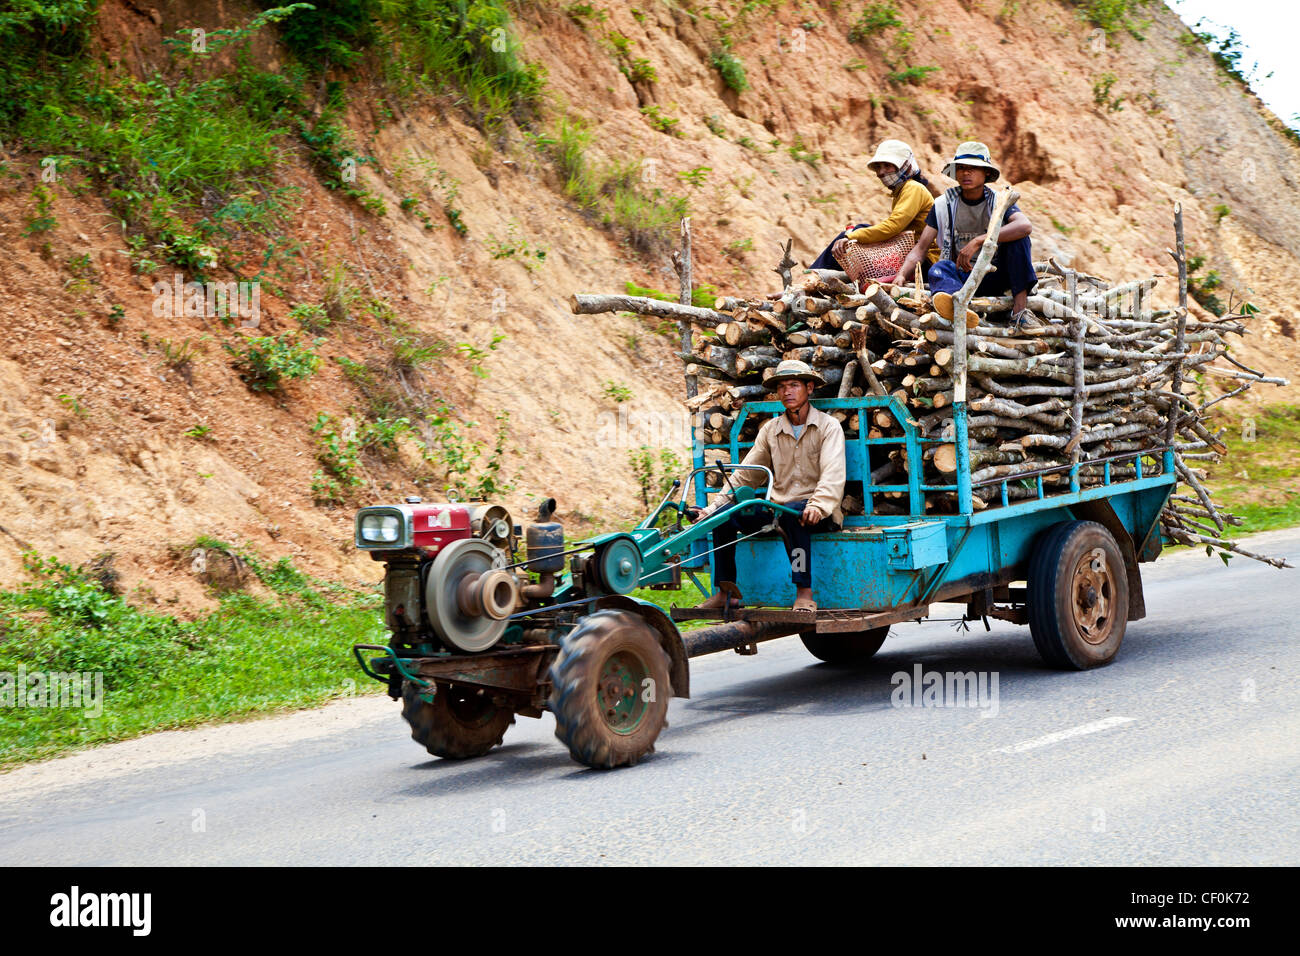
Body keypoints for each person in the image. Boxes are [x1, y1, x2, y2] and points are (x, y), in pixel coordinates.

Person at [688, 361, 845, 613]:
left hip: (817, 511)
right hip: (777, 509)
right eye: (782, 387)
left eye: (794, 385)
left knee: (794, 515)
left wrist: (818, 505)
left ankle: (804, 592)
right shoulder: (770, 430)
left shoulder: (828, 427)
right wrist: (713, 508)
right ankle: (726, 592)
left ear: (810, 388)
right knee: (724, 518)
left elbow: (833, 474)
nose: (787, 392)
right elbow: (746, 476)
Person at [887, 141, 1040, 330]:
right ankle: (957, 307)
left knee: (1019, 240)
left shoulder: (999, 201)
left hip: (994, 275)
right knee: (939, 268)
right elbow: (921, 248)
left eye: (973, 168)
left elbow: (1024, 226)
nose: (966, 173)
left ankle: (1020, 312)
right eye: (961, 168)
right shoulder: (943, 204)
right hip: (963, 276)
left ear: (986, 174)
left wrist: (979, 240)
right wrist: (902, 274)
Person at [809, 140, 941, 285]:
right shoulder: (902, 191)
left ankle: (810, 278)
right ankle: (815, 279)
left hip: (921, 261)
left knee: (849, 237)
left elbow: (893, 226)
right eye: (878, 167)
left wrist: (851, 237)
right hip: (907, 255)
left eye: (887, 166)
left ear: (904, 165)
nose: (880, 172)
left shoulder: (913, 188)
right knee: (859, 229)